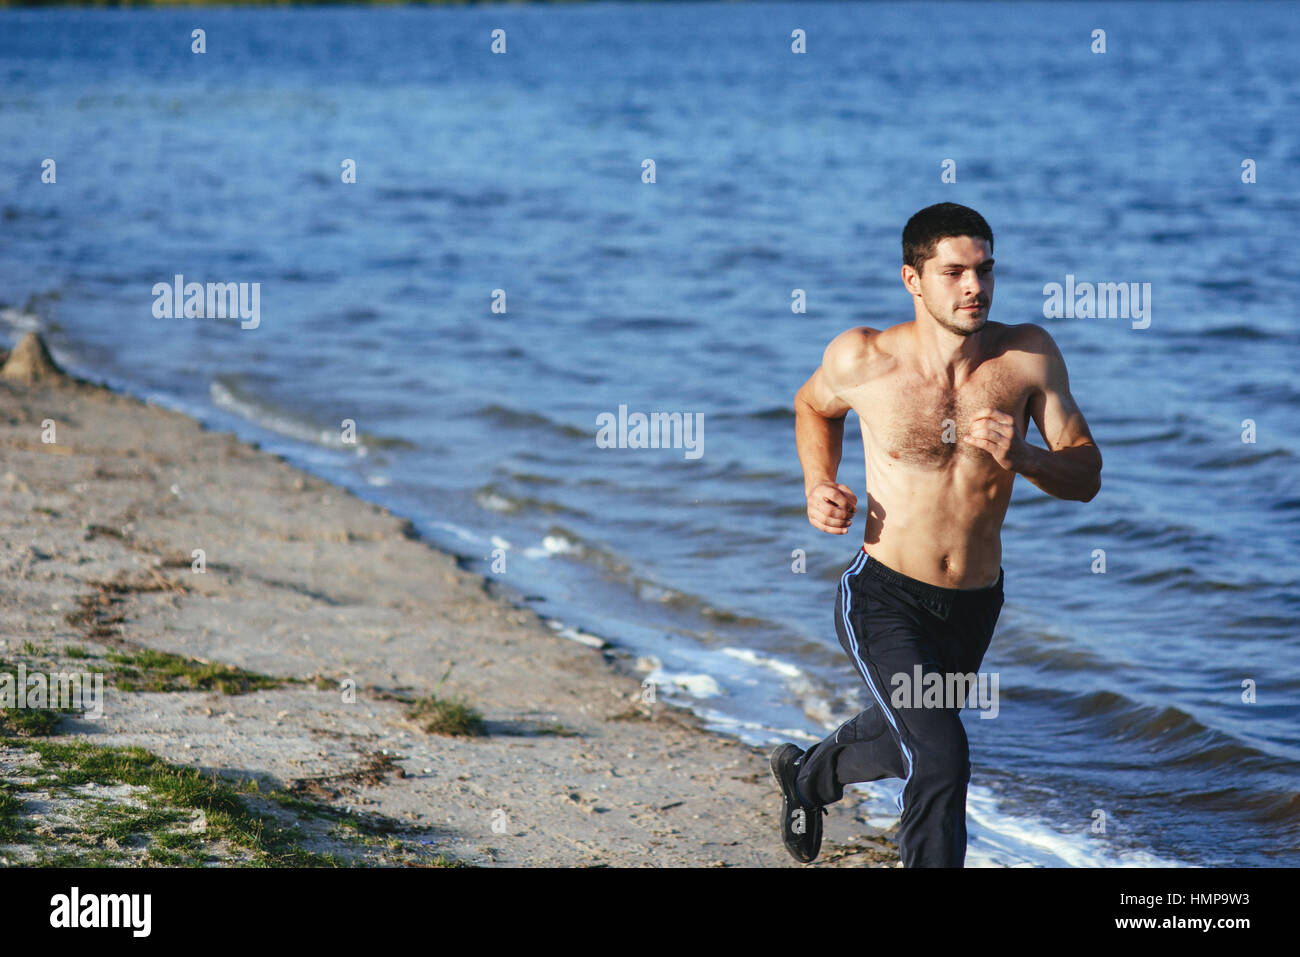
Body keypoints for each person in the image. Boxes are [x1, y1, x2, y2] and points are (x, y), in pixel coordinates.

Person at [770, 203, 1102, 867]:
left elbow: (1087, 472)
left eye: (984, 270)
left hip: (975, 604)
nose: (974, 286)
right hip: (883, 595)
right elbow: (813, 403)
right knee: (942, 753)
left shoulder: (1027, 358)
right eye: (954, 272)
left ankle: (806, 775)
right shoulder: (864, 357)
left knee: (907, 744)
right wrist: (818, 483)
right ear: (913, 279)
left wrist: (1030, 458)